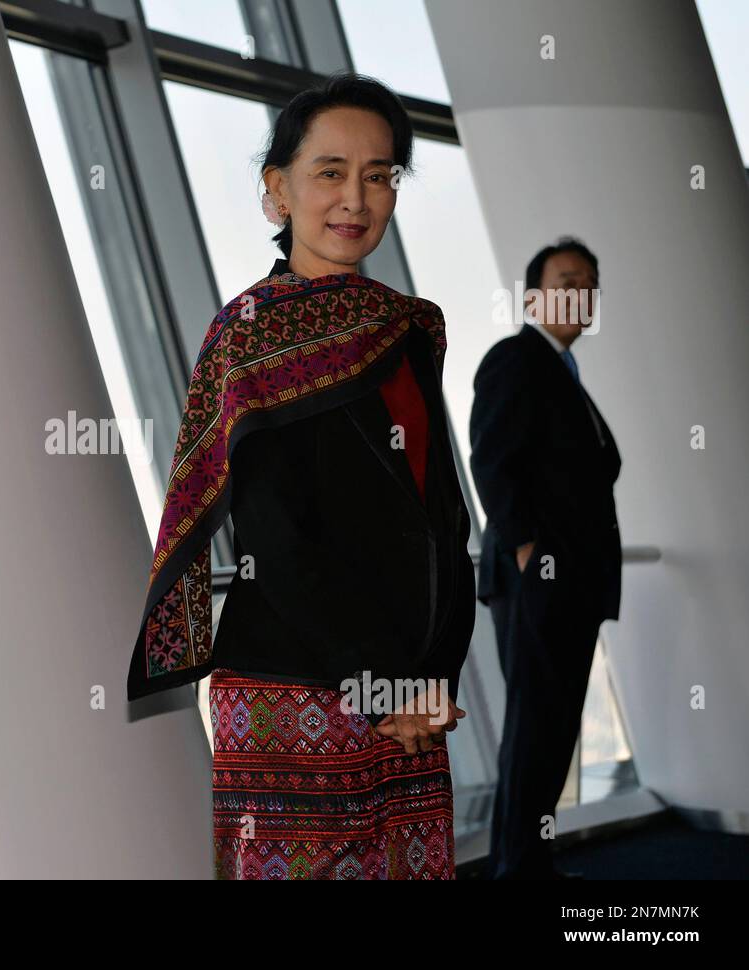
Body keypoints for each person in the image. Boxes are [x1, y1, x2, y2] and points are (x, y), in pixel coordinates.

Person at [127, 73, 476, 879]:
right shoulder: (247, 336)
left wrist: (433, 676)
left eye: (381, 175)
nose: (357, 197)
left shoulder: (410, 328)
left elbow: (442, 515)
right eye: (330, 172)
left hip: (411, 694)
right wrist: (384, 686)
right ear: (276, 191)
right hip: (294, 686)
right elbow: (278, 543)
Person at [469, 238, 622, 879]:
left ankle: (530, 862)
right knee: (535, 731)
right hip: (539, 582)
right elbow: (491, 460)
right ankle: (515, 869)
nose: (580, 292)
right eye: (566, 280)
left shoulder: (564, 374)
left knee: (555, 732)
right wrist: (531, 552)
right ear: (533, 296)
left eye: (589, 282)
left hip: (573, 584)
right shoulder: (517, 358)